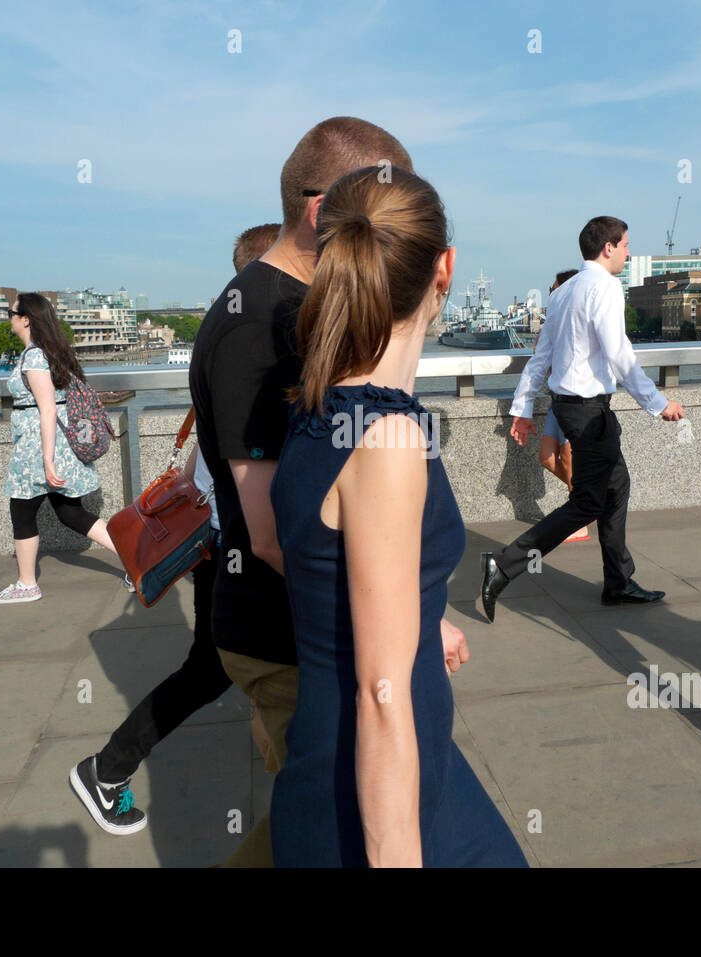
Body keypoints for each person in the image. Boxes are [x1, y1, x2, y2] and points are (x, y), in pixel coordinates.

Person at [271, 164, 524, 867]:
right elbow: (381, 696)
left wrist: (417, 611)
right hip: (376, 782)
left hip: (371, 751)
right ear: (445, 268)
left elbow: (322, 556)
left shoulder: (319, 404)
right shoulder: (386, 438)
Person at [189, 117, 416, 866]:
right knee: (332, 819)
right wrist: (390, 614)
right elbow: (266, 527)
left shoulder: (288, 308)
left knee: (308, 811)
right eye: (382, 211)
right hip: (279, 630)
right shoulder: (260, 323)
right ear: (323, 214)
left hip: (286, 626)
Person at [69, 231, 282, 835]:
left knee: (220, 664)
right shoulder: (253, 336)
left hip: (223, 537)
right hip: (236, 540)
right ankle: (107, 768)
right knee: (218, 666)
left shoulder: (222, 328)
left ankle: (111, 767)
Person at [478, 217, 685, 622]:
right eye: (625, 245)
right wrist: (658, 403)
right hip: (589, 411)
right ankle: (504, 564)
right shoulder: (605, 287)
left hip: (570, 407)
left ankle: (619, 581)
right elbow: (619, 354)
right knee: (589, 500)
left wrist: (522, 409)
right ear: (607, 247)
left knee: (616, 485)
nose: (629, 252)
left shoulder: (563, 291)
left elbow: (541, 357)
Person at [0, 293, 131, 603]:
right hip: (57, 445)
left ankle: (27, 584)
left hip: (38, 450)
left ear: (26, 318)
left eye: (11, 313)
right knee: (71, 513)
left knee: (22, 511)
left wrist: (47, 461)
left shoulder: (34, 356)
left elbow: (48, 409)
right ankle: (138, 560)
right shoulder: (48, 352)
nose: (8, 318)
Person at [536, 268, 589, 542]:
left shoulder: (576, 320)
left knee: (568, 459)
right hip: (556, 400)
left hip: (575, 400)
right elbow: (538, 353)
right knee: (546, 457)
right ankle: (588, 502)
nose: (551, 292)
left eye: (555, 288)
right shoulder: (555, 319)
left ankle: (578, 518)